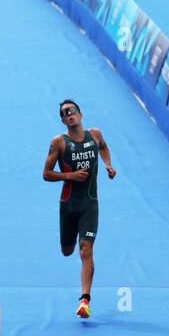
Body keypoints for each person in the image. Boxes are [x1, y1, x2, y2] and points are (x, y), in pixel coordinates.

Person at [43, 99, 115, 320]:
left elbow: (103, 147)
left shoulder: (95, 135)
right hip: (68, 205)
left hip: (90, 204)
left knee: (86, 250)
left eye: (72, 110)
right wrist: (70, 176)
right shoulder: (59, 143)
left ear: (80, 114)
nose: (69, 114)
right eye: (64, 113)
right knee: (67, 251)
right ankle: (70, 242)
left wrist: (108, 165)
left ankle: (85, 300)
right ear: (63, 120)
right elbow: (46, 173)